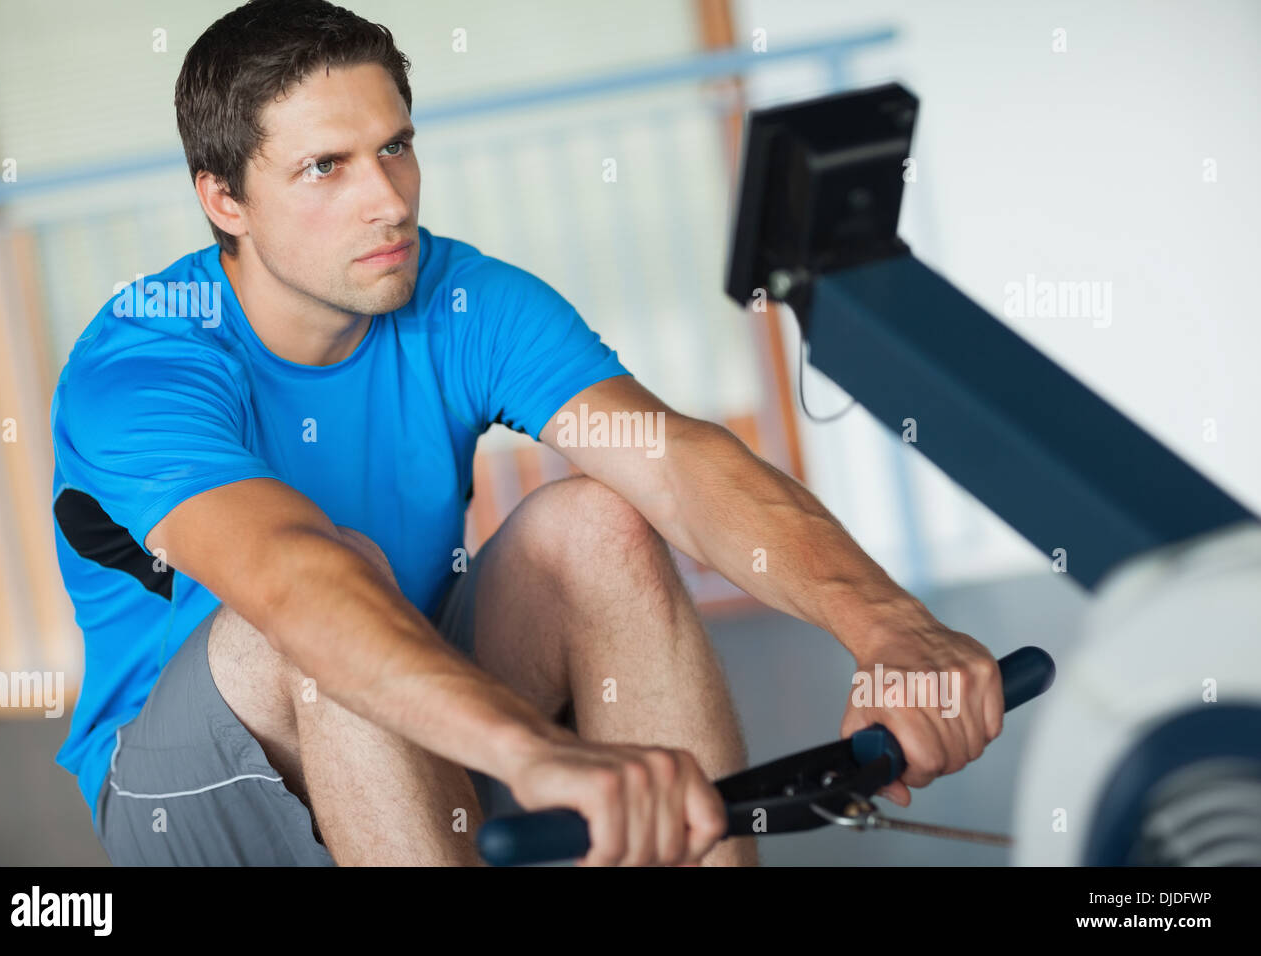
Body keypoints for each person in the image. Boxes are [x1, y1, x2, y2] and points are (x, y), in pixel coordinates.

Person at [50, 0, 1003, 867]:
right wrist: (536, 751)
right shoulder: (142, 364)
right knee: (326, 598)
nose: (387, 199)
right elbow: (297, 583)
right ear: (224, 200)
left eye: (395, 147)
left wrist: (892, 631)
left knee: (598, 521)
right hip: (195, 794)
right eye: (324, 167)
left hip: (413, 715)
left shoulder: (460, 297)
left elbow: (676, 463)